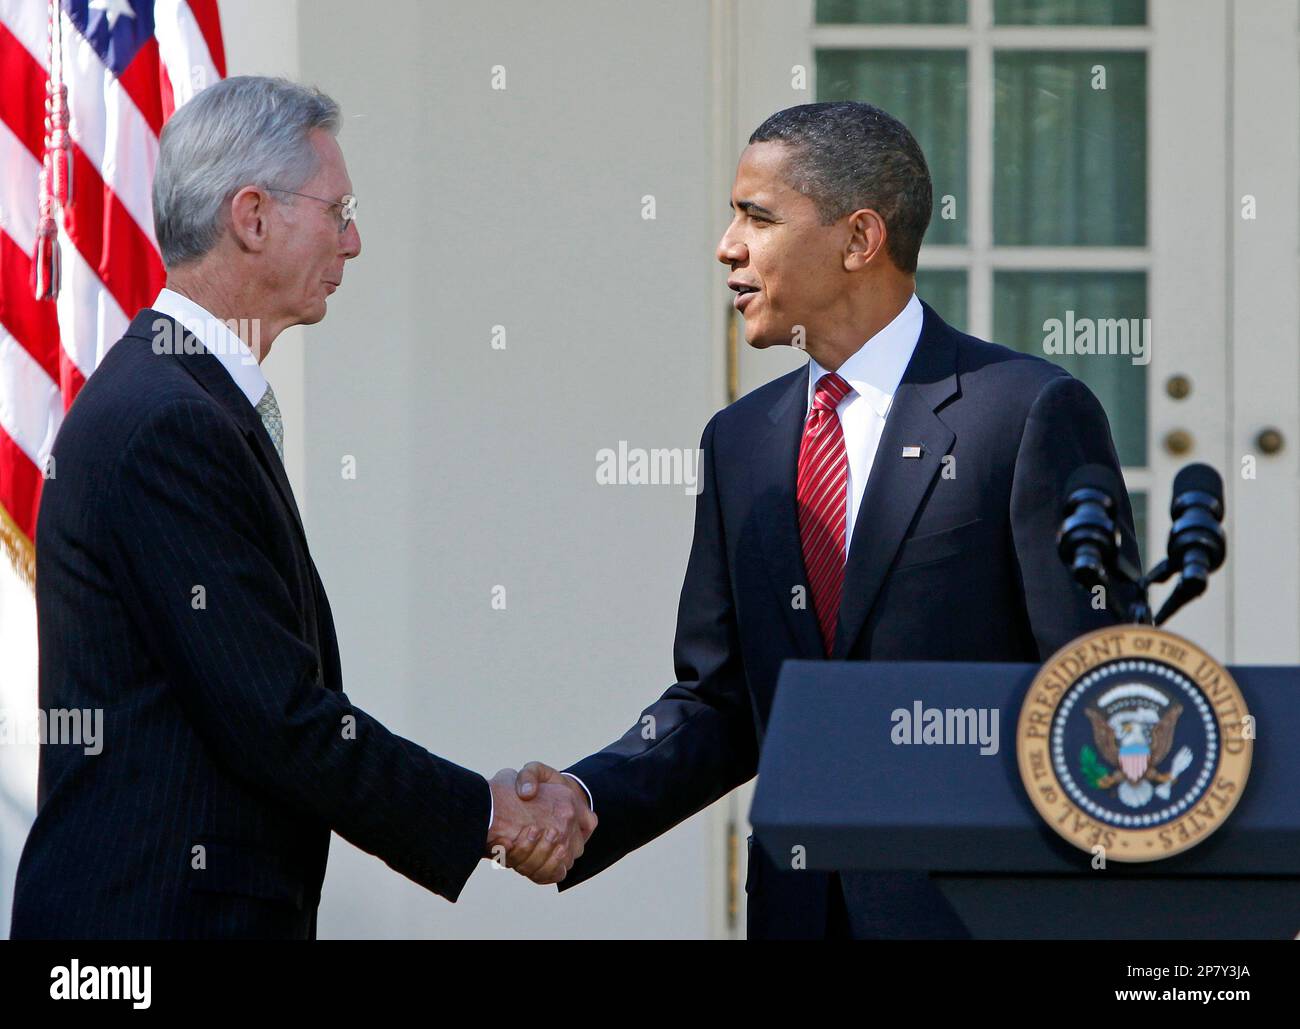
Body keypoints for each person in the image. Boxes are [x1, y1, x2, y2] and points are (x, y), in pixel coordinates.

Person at [507, 101, 1139, 939]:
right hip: (797, 912)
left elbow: (1098, 688)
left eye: (756, 217)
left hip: (981, 918)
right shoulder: (740, 442)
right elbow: (723, 700)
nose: (727, 246)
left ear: (858, 239)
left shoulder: (1026, 414)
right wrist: (587, 798)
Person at [9, 76, 592, 940]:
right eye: (337, 210)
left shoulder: (181, 397)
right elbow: (274, 714)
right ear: (252, 216)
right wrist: (486, 811)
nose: (353, 241)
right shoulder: (168, 421)